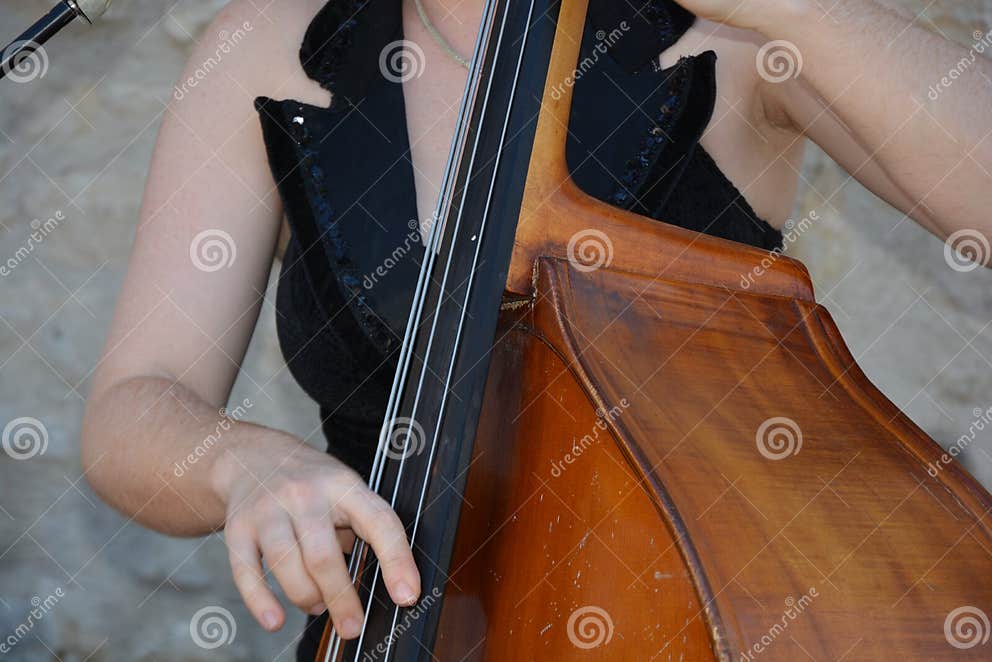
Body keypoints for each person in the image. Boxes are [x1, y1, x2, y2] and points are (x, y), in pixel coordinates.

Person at [80, 0, 992, 658]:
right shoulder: (265, 47)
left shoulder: (736, 38)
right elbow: (131, 408)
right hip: (386, 637)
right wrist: (240, 465)